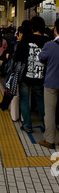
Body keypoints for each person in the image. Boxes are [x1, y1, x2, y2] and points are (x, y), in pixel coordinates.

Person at [14, 16, 49, 133]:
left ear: (32, 27)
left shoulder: (25, 40)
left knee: (24, 98)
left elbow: (17, 58)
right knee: (40, 99)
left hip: (25, 76)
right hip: (40, 76)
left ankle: (27, 125)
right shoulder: (47, 42)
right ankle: (45, 124)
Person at [0, 26, 28, 111]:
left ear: (21, 34)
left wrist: (10, 56)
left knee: (11, 89)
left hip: (17, 71)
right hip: (23, 71)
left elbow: (15, 57)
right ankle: (4, 105)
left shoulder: (19, 44)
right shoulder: (26, 43)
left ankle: (6, 106)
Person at [38, 18, 59, 149]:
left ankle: (50, 140)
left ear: (55, 30)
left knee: (50, 112)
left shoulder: (50, 45)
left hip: (52, 83)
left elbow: (41, 58)